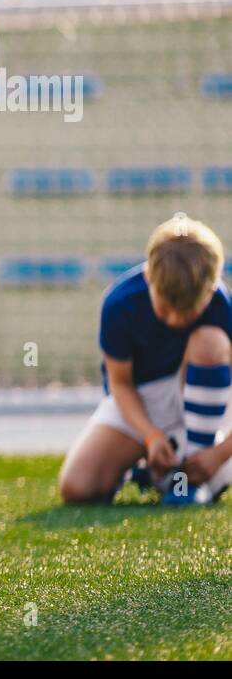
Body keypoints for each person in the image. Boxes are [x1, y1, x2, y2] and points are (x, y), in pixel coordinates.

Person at [60, 214, 232, 505]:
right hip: (141, 401)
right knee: (78, 487)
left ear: (210, 290)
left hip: (202, 398)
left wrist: (219, 453)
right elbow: (120, 384)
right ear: (148, 277)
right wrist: (151, 435)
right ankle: (156, 473)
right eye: (166, 310)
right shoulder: (120, 304)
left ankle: (190, 479)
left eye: (188, 312)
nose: (176, 321)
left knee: (210, 342)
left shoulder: (222, 306)